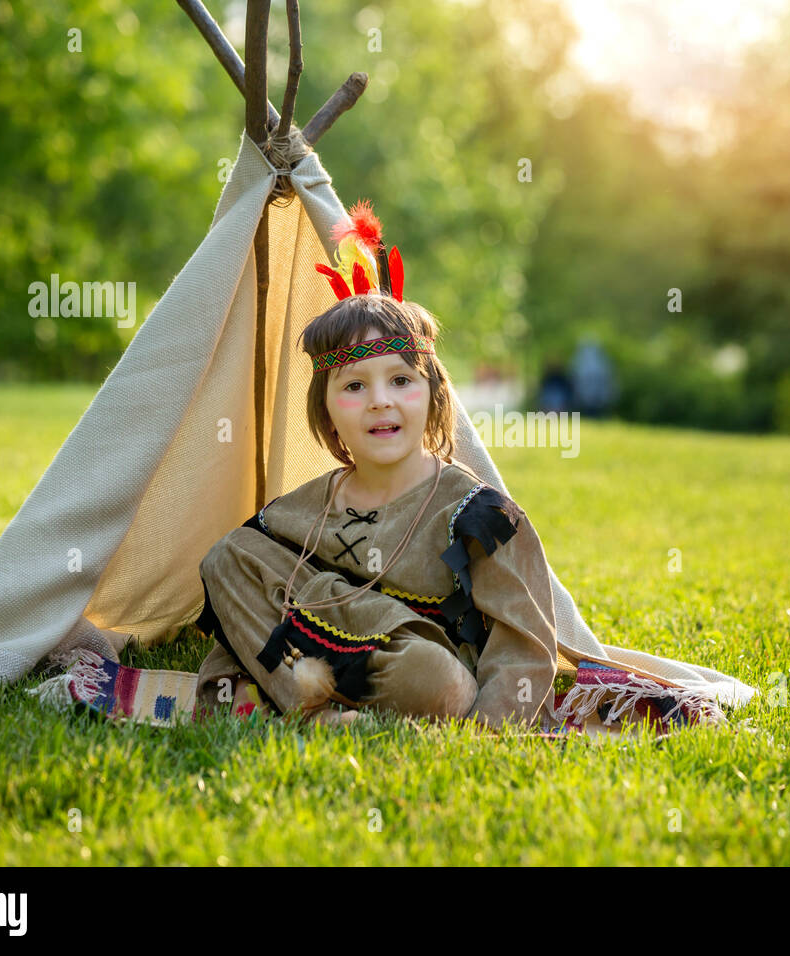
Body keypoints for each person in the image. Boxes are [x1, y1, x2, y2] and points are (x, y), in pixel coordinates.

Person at [193, 201, 557, 732]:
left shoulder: (476, 513)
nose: (380, 402)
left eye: (401, 381)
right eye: (355, 386)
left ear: (432, 394)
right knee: (227, 556)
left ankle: (304, 708)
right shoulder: (308, 505)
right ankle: (314, 712)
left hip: (407, 665)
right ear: (327, 409)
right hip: (309, 655)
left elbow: (522, 643)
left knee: (440, 680)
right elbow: (240, 571)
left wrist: (489, 731)